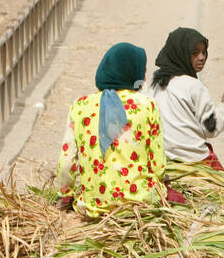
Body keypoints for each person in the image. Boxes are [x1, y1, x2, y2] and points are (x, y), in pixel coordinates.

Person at [57, 43, 164, 217]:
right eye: (142, 72)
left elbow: (66, 162)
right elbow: (158, 166)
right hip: (140, 204)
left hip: (93, 206)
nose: (144, 79)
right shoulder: (147, 105)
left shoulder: (80, 106)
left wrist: (66, 196)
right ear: (132, 73)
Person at [148, 27, 224, 171]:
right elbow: (211, 128)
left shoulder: (155, 84)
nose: (201, 57)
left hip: (162, 158)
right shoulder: (193, 86)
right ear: (180, 54)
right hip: (193, 160)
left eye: (204, 52)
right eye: (194, 53)